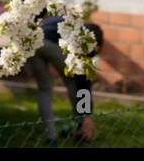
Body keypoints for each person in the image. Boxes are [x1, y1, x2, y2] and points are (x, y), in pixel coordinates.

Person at [28, 15, 104, 145]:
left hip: (32, 42)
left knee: (45, 89)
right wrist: (87, 114)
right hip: (51, 42)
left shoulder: (67, 21)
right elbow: (83, 80)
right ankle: (82, 126)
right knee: (73, 82)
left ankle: (51, 137)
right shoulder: (85, 38)